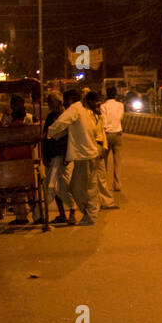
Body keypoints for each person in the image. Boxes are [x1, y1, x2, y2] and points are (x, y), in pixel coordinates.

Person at [46, 87, 100, 225]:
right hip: (90, 154)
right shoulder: (83, 111)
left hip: (84, 156)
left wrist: (49, 133)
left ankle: (88, 214)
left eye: (65, 100)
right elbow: (70, 131)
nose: (63, 103)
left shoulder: (74, 109)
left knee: (77, 188)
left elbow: (61, 123)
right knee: (88, 187)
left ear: (69, 99)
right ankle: (91, 214)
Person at [42, 94, 73, 224]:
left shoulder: (65, 116)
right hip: (52, 155)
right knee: (54, 187)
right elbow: (45, 136)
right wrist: (44, 155)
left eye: (51, 102)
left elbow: (71, 138)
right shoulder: (50, 117)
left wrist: (69, 155)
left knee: (64, 185)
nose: (50, 105)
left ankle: (72, 212)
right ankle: (62, 215)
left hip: (62, 155)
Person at [83, 90, 117, 211]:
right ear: (89, 102)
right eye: (95, 102)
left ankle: (106, 202)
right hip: (91, 148)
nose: (98, 104)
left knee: (102, 176)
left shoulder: (99, 116)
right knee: (91, 179)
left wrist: (104, 147)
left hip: (100, 147)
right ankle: (93, 204)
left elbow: (102, 133)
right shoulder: (85, 115)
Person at [101, 85, 125, 192]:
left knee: (103, 161)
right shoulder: (120, 105)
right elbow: (120, 117)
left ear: (106, 94)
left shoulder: (103, 106)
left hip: (107, 134)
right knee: (117, 161)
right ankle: (117, 184)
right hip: (118, 133)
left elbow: (104, 121)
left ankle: (103, 184)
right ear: (115, 94)